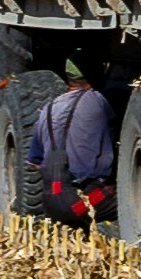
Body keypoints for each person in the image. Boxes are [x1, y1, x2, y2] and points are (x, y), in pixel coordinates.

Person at [26, 66, 118, 225]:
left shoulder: (48, 108)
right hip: (85, 202)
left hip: (51, 203)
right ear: (94, 76)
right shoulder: (99, 100)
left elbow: (34, 161)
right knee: (129, 198)